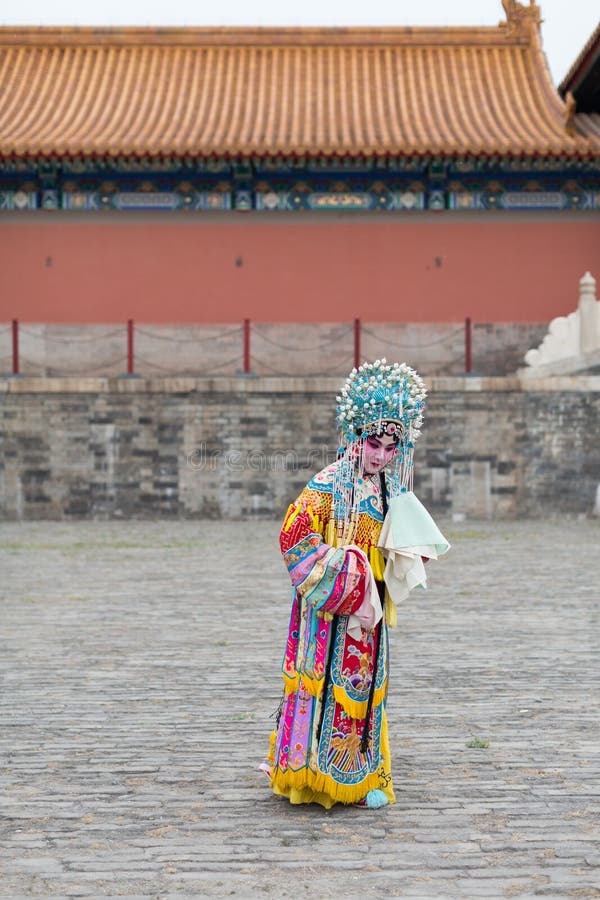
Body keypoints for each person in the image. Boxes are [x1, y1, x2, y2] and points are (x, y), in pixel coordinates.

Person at [262, 360, 449, 809]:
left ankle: (358, 776)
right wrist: (348, 572)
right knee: (322, 685)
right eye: (373, 444)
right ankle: (309, 776)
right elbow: (293, 537)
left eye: (390, 448)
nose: (380, 456)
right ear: (354, 436)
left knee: (362, 689)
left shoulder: (390, 491)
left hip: (369, 615)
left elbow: (405, 545)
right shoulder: (327, 485)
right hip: (328, 610)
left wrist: (407, 555)